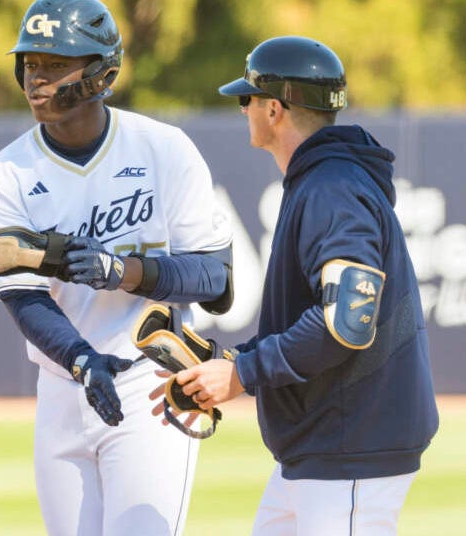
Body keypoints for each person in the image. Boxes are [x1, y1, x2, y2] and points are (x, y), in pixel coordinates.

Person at [0, 1, 233, 534]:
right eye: (30, 63)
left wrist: (124, 271)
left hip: (151, 386)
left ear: (102, 73)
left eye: (54, 63)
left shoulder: (163, 148)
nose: (36, 78)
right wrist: (80, 360)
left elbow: (215, 279)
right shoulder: (5, 173)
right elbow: (24, 296)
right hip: (62, 385)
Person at [171, 36, 439, 535]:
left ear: (274, 109)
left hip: (351, 448)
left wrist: (242, 374)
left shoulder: (331, 187)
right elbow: (316, 317)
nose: (243, 108)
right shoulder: (323, 180)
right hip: (324, 447)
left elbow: (346, 323)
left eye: (246, 98)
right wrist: (228, 364)